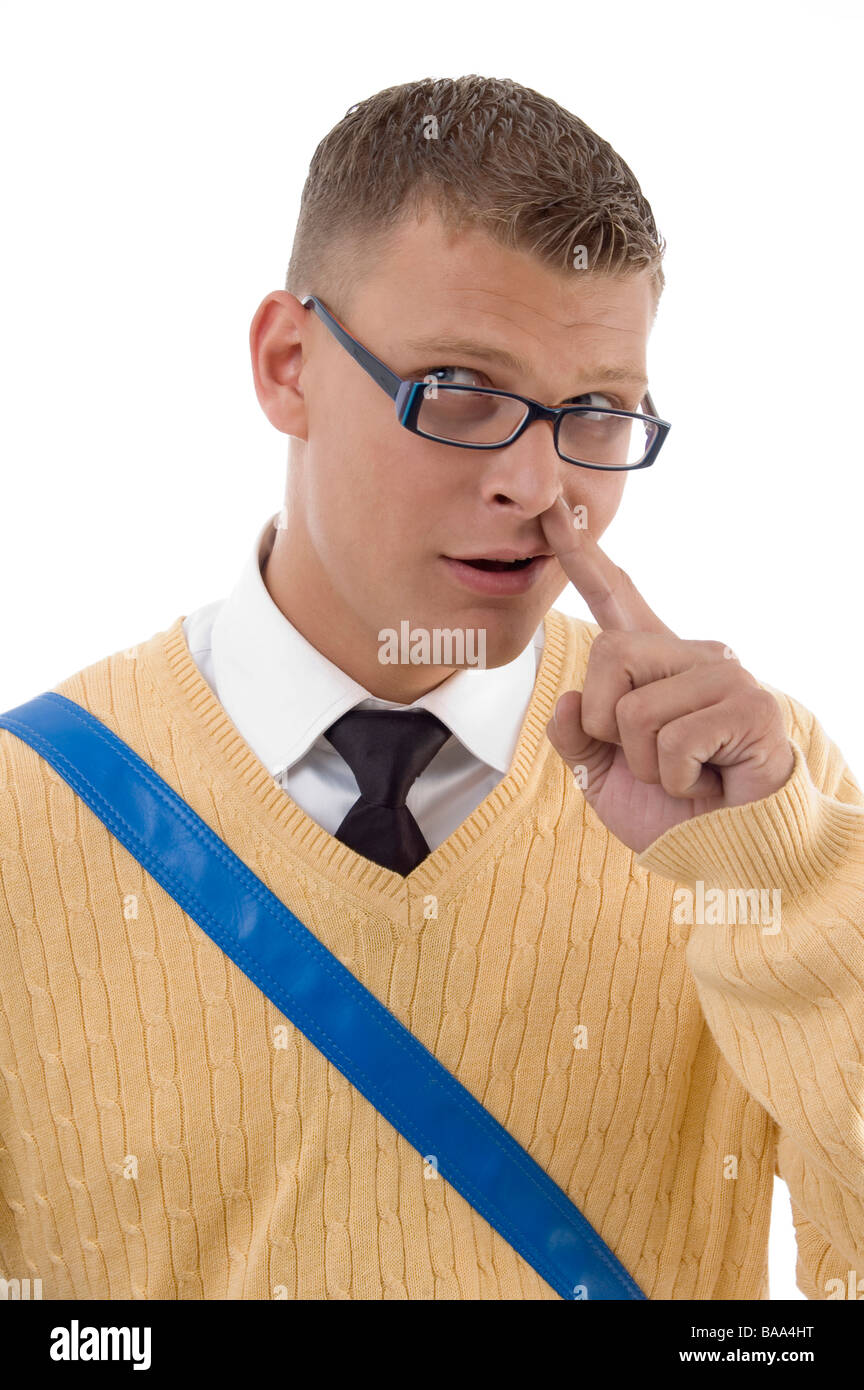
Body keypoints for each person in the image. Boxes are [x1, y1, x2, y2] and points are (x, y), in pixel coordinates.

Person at [1, 74, 862, 1302]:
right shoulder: (20, 820)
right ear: (288, 363)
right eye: (462, 391)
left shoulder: (757, 805)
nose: (534, 483)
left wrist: (782, 889)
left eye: (599, 414)